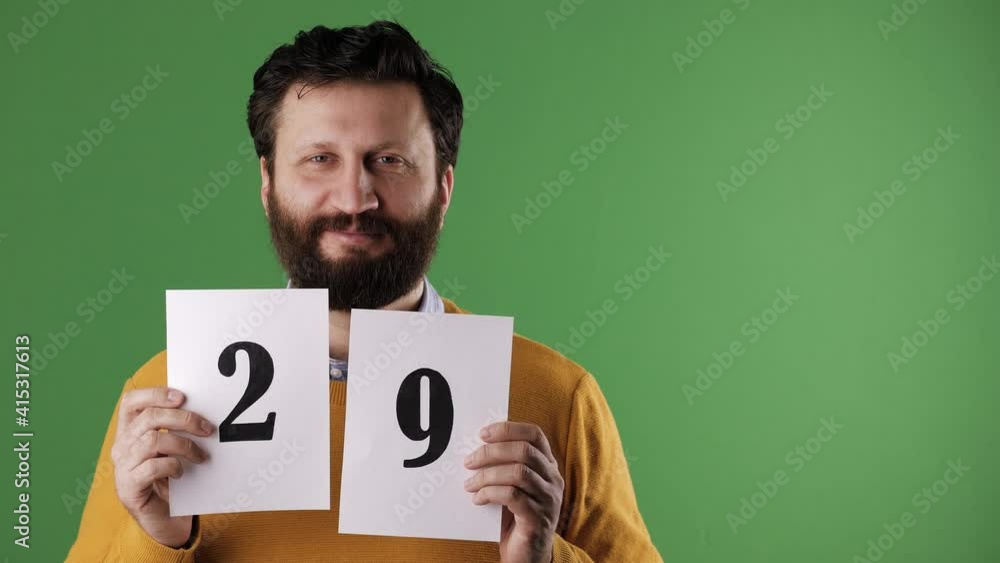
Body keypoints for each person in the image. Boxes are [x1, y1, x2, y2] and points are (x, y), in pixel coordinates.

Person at [66, 20, 662, 562]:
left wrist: (544, 558)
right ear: (268, 184)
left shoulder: (556, 397)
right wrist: (157, 537)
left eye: (390, 160)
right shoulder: (167, 397)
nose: (355, 198)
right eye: (320, 158)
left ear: (444, 187)